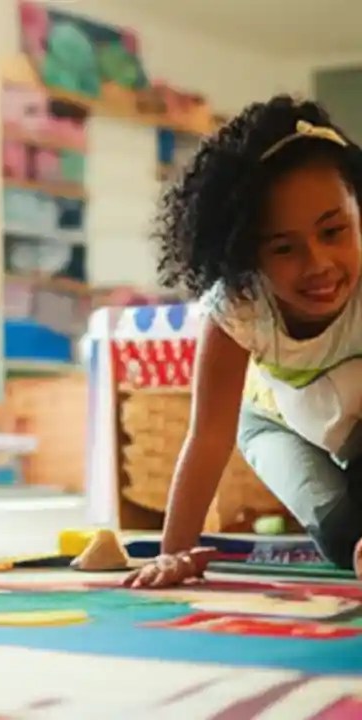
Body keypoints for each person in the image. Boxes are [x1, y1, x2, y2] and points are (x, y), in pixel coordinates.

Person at [126, 96, 362, 588]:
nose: (318, 263)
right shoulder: (239, 306)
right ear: (244, 254)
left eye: (334, 231)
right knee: (344, 537)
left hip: (353, 422)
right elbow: (208, 436)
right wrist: (173, 553)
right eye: (283, 247)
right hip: (277, 424)